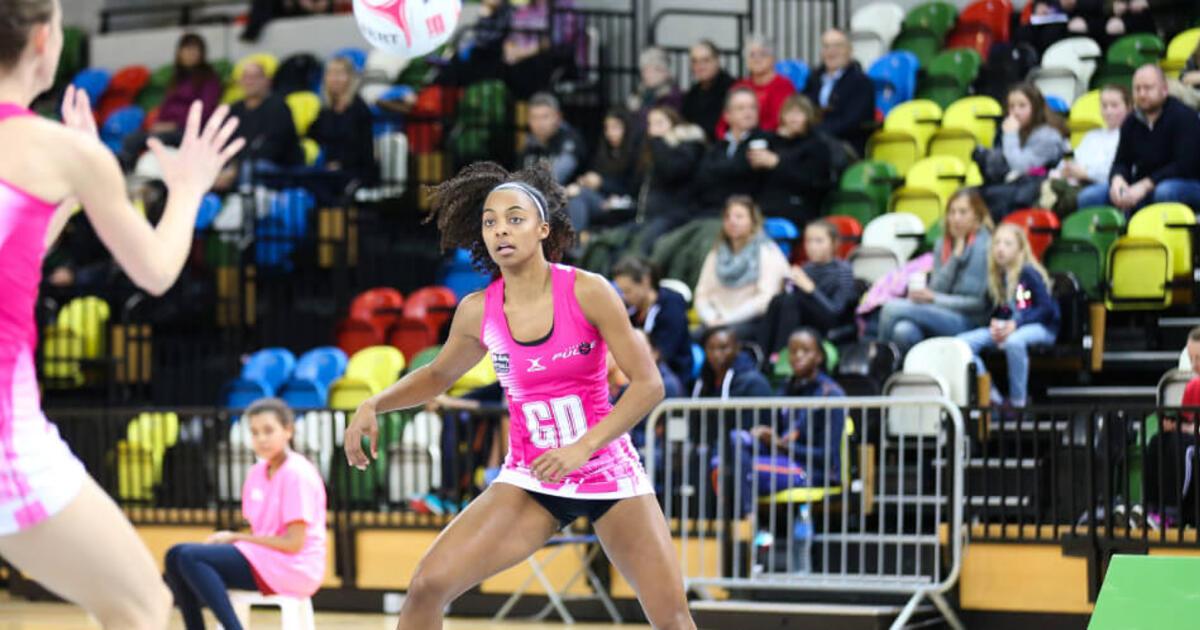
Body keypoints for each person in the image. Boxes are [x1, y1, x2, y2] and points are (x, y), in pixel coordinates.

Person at [342, 161, 695, 629]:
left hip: (607, 473)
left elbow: (648, 385)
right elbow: (437, 376)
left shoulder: (588, 291)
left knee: (671, 616)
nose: (500, 230)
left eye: (514, 218)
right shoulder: (476, 311)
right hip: (533, 479)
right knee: (427, 586)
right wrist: (373, 404)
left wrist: (581, 448)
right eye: (490, 222)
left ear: (543, 229)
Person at [0, 1, 242, 626]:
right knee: (142, 607)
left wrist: (65, 196)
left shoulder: (57, 159)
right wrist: (186, 188)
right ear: (45, 39)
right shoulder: (63, 152)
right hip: (7, 439)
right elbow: (158, 271)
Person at [165, 399, 327, 630]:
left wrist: (236, 538)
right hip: (265, 560)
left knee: (191, 557)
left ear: (288, 430)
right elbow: (260, 532)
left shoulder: (297, 473)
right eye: (254, 432)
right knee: (174, 556)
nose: (261, 438)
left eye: (268, 431)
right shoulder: (256, 473)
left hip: (295, 567)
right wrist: (240, 541)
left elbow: (293, 543)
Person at [956, 224, 1060, 408]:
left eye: (1007, 244)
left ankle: (1018, 403)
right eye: (997, 243)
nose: (1000, 248)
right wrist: (998, 322)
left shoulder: (1028, 272)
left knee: (1014, 342)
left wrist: (1016, 324)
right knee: (962, 344)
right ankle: (992, 396)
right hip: (1012, 326)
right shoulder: (998, 276)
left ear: (1020, 249)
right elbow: (1007, 308)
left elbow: (1046, 309)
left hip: (1041, 327)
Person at [878, 189, 993, 354]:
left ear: (977, 216)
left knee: (890, 308)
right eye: (952, 212)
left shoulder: (983, 246)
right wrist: (955, 258)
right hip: (940, 313)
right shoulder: (943, 244)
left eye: (963, 212)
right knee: (904, 331)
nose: (956, 218)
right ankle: (908, 376)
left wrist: (934, 299)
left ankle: (879, 368)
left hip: (970, 321)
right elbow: (937, 288)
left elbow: (977, 304)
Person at [1076, 65, 1200, 213]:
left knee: (1164, 191)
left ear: (1164, 90)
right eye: (1137, 89)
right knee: (1089, 196)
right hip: (1143, 184)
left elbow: (1184, 166)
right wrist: (1118, 180)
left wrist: (1145, 185)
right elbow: (1121, 161)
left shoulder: (1184, 117)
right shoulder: (1131, 121)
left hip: (1188, 184)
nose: (1142, 94)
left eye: (1148, 88)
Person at [751, 327, 847, 486]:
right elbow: (777, 433)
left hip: (813, 471)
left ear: (819, 357)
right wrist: (764, 434)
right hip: (782, 462)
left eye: (805, 350)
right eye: (793, 351)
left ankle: (746, 511)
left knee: (741, 467)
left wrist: (783, 446)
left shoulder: (830, 395)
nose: (798, 356)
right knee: (735, 444)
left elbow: (827, 455)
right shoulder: (786, 388)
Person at [118, 32, 222, 171]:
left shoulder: (209, 78)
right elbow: (166, 107)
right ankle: (129, 176)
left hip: (191, 130)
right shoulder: (176, 78)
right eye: (186, 49)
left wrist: (175, 124)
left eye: (194, 49)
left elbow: (206, 110)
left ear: (202, 53)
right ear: (179, 52)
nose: (190, 53)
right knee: (131, 139)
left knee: (159, 139)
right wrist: (158, 124)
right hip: (168, 128)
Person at [694, 196, 791, 341]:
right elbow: (701, 294)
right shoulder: (716, 252)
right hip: (715, 320)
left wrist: (727, 319)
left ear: (753, 221)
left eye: (739, 217)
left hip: (751, 322)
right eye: (728, 217)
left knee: (721, 339)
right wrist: (711, 317)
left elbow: (766, 299)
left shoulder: (768, 251)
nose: (732, 221)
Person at [757, 219, 858, 355]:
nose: (812, 246)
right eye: (808, 241)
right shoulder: (806, 268)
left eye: (819, 241)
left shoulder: (843, 270)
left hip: (830, 321)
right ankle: (762, 355)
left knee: (790, 302)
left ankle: (781, 356)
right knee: (779, 300)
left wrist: (811, 289)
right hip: (803, 319)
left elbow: (836, 311)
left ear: (834, 243)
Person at [214, 57, 303, 192]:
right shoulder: (234, 110)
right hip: (237, 167)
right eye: (246, 77)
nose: (250, 82)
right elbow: (223, 143)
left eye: (255, 77)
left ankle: (242, 210)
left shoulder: (279, 107)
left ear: (267, 81)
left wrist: (235, 169)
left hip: (278, 170)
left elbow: (273, 149)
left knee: (251, 168)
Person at [980, 83, 1067, 219]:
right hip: (1014, 185)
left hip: (1036, 187)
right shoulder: (1014, 131)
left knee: (994, 197)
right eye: (1012, 106)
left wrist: (1010, 135)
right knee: (970, 195)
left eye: (1022, 106)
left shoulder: (1048, 136)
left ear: (1036, 107)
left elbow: (1021, 166)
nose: (1015, 112)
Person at [750, 94, 834, 226]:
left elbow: (813, 182)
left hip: (799, 206)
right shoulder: (772, 142)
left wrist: (777, 163)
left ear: (809, 117)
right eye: (789, 112)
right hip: (765, 205)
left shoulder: (817, 145)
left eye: (799, 113)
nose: (793, 118)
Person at [1045, 84, 1130, 214]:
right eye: (1104, 106)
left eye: (1114, 106)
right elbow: (1075, 159)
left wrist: (1086, 174)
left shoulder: (1130, 134)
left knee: (1079, 197)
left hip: (1104, 184)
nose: (1108, 111)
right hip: (1075, 181)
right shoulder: (1092, 135)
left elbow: (1117, 171)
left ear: (1128, 108)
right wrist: (1065, 169)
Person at [633, 106, 707, 252]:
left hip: (676, 215)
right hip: (648, 215)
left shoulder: (687, 145)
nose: (653, 129)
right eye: (650, 124)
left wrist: (658, 142)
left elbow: (672, 171)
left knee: (641, 246)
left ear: (674, 123)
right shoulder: (652, 150)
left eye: (659, 123)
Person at [612, 256, 693, 384]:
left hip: (671, 377)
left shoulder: (672, 306)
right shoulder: (631, 311)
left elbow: (663, 354)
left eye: (628, 291)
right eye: (621, 292)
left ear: (645, 281)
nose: (624, 297)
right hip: (639, 373)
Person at [693, 87, 768, 215]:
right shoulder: (717, 146)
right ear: (727, 116)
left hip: (746, 215)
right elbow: (702, 177)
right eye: (741, 108)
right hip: (708, 212)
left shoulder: (766, 141)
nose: (748, 113)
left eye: (753, 107)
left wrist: (721, 171)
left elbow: (746, 177)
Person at [307, 55, 377, 190]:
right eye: (331, 74)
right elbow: (312, 133)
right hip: (330, 170)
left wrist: (341, 164)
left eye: (340, 74)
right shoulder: (326, 110)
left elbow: (362, 148)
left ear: (350, 79)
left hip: (356, 171)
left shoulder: (359, 108)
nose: (335, 79)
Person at [802, 28, 875, 156]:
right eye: (826, 46)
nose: (831, 51)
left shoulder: (861, 82)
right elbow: (802, 106)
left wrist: (815, 132)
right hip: (813, 140)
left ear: (849, 50)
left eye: (837, 46)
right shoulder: (813, 79)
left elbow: (852, 122)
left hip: (845, 145)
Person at [564, 109, 639, 232]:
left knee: (578, 195)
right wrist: (586, 181)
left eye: (615, 128)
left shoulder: (635, 154)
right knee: (572, 196)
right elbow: (594, 175)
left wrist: (601, 183)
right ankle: (572, 244)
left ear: (626, 128)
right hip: (601, 199)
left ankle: (574, 244)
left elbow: (631, 187)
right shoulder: (604, 152)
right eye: (607, 128)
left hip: (623, 202)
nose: (610, 133)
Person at [716, 34, 795, 136]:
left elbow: (779, 121)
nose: (757, 59)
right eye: (752, 54)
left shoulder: (784, 85)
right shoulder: (739, 86)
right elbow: (723, 123)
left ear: (773, 58)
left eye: (762, 54)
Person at [517, 92, 588, 186]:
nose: (539, 123)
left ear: (558, 117)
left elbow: (556, 177)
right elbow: (518, 178)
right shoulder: (529, 145)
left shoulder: (570, 140)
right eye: (534, 117)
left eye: (545, 117)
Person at [681, 39, 735, 141]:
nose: (700, 66)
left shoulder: (732, 89)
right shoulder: (693, 92)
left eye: (705, 60)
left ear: (717, 61)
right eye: (695, 61)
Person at [626, 47, 682, 133]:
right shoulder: (639, 93)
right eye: (644, 70)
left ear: (665, 72)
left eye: (654, 70)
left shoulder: (673, 95)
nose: (647, 74)